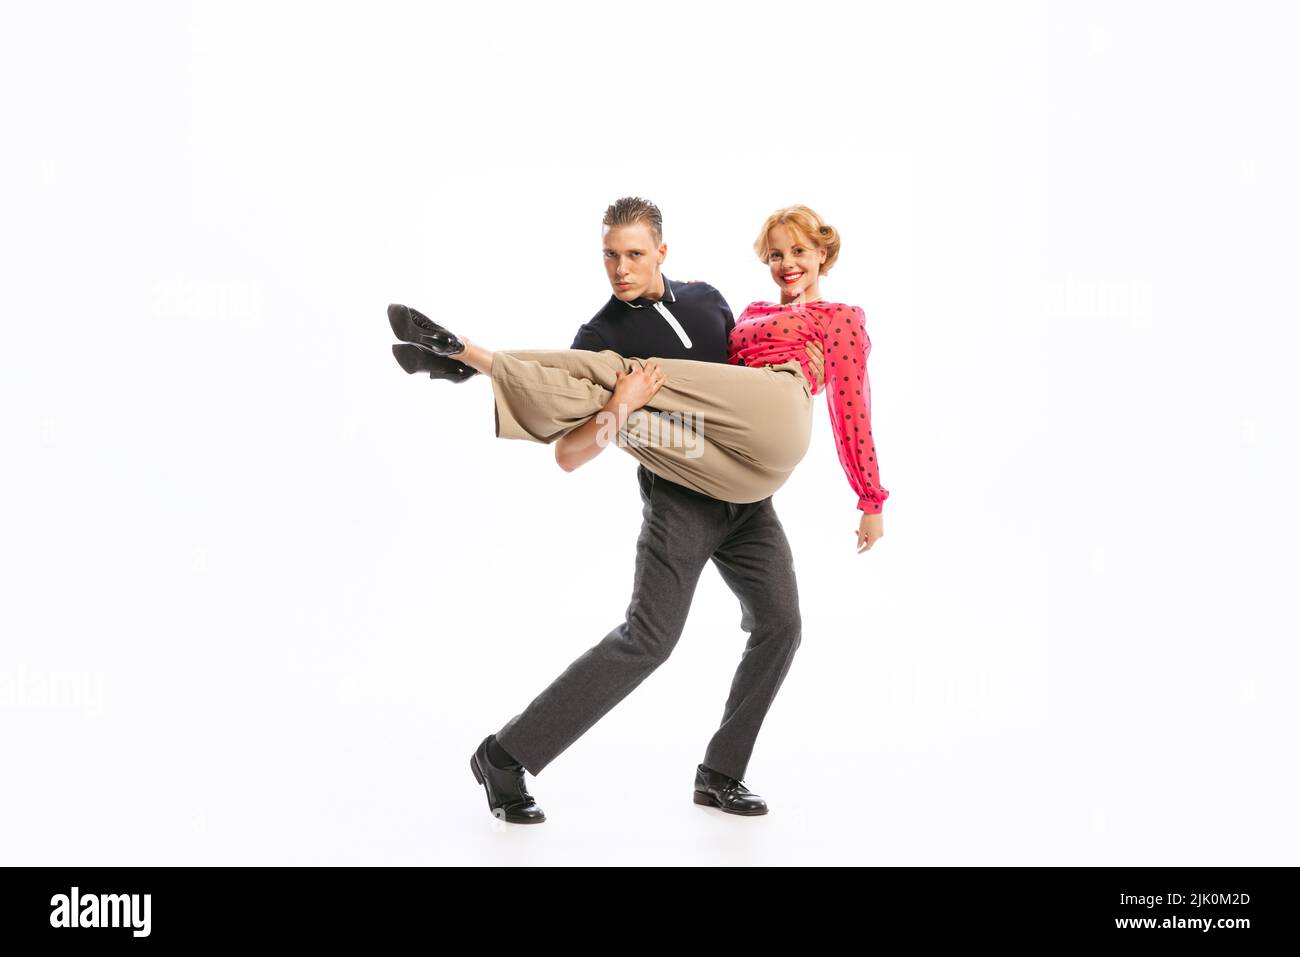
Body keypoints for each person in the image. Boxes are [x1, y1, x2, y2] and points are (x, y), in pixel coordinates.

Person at [390, 199, 887, 822]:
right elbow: (570, 456)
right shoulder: (600, 336)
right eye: (609, 256)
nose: (620, 269)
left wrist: (867, 492)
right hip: (679, 488)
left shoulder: (710, 303)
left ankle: (721, 773)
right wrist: (620, 406)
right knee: (649, 639)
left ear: (662, 253)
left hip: (745, 494)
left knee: (781, 624)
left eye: (633, 254)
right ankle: (505, 755)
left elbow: (743, 389)